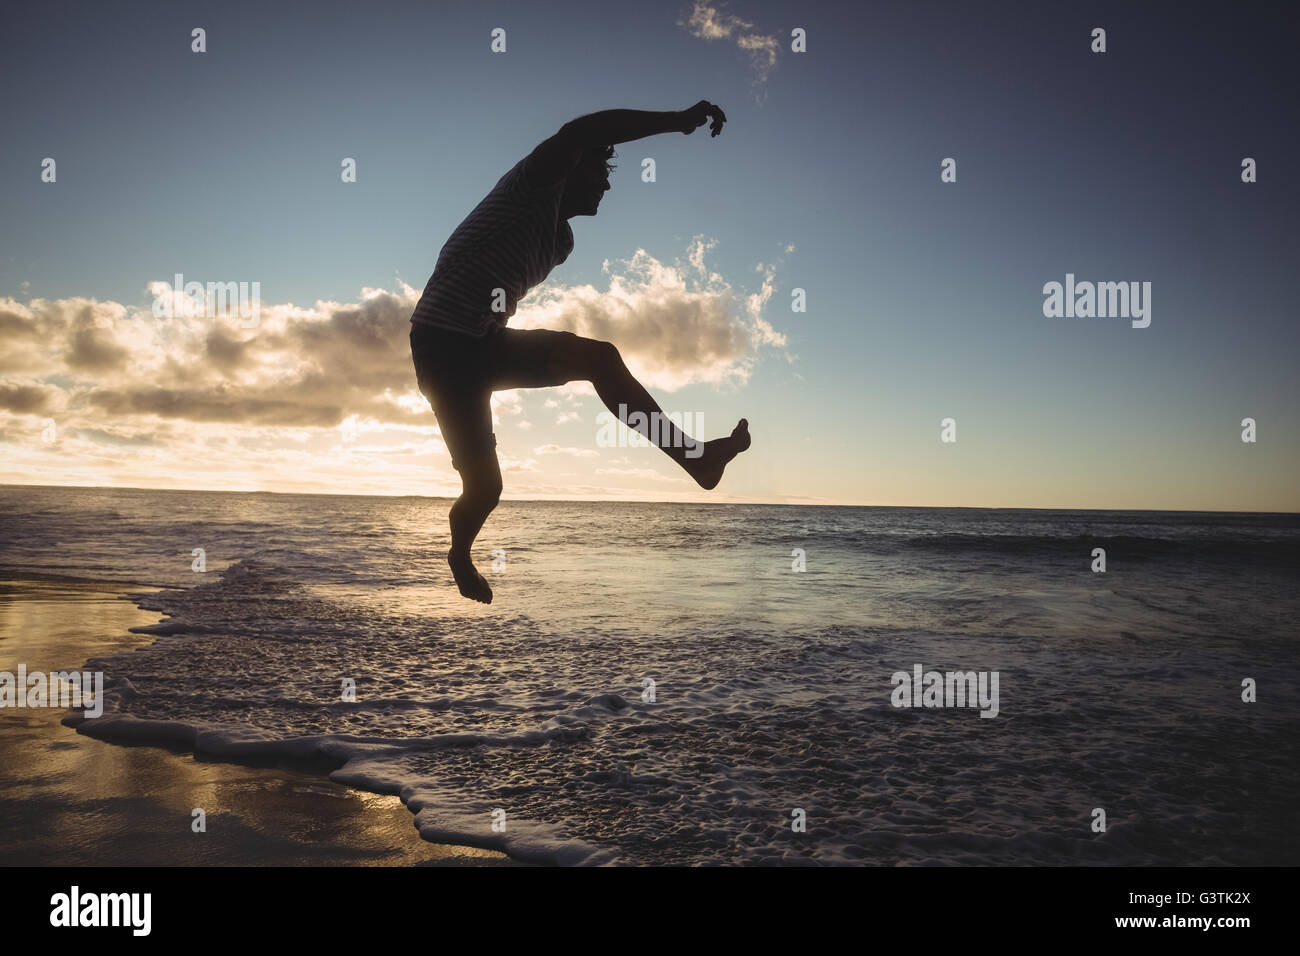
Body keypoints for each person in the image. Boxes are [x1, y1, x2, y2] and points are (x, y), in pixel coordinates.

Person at [410, 101, 751, 603]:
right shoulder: (534, 184)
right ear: (574, 168)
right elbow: (584, 129)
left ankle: (696, 460)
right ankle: (460, 553)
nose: (607, 186)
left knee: (600, 359)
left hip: (485, 342)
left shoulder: (560, 239)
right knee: (485, 491)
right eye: (601, 173)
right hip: (442, 346)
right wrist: (676, 121)